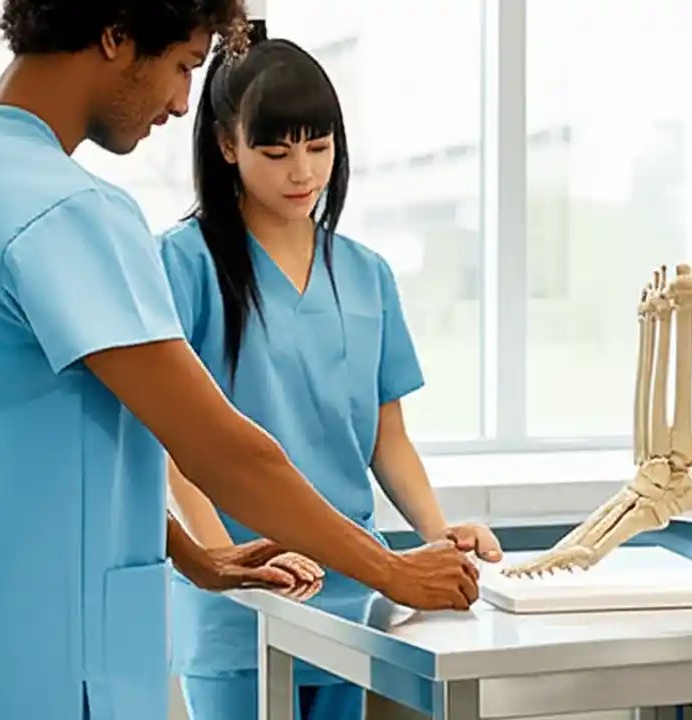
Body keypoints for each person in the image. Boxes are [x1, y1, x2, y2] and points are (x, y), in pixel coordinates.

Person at [0, 3, 478, 720]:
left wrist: (190, 553)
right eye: (183, 65)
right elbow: (222, 452)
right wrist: (390, 570)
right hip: (51, 659)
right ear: (116, 34)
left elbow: (11, 444)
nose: (182, 100)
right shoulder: (68, 212)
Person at [159, 28, 504, 720]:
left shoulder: (367, 275)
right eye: (276, 150)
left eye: (319, 147)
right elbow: (172, 443)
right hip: (238, 609)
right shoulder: (185, 264)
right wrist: (229, 565)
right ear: (228, 146)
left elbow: (386, 438)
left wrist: (439, 535)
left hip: (351, 595)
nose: (301, 172)